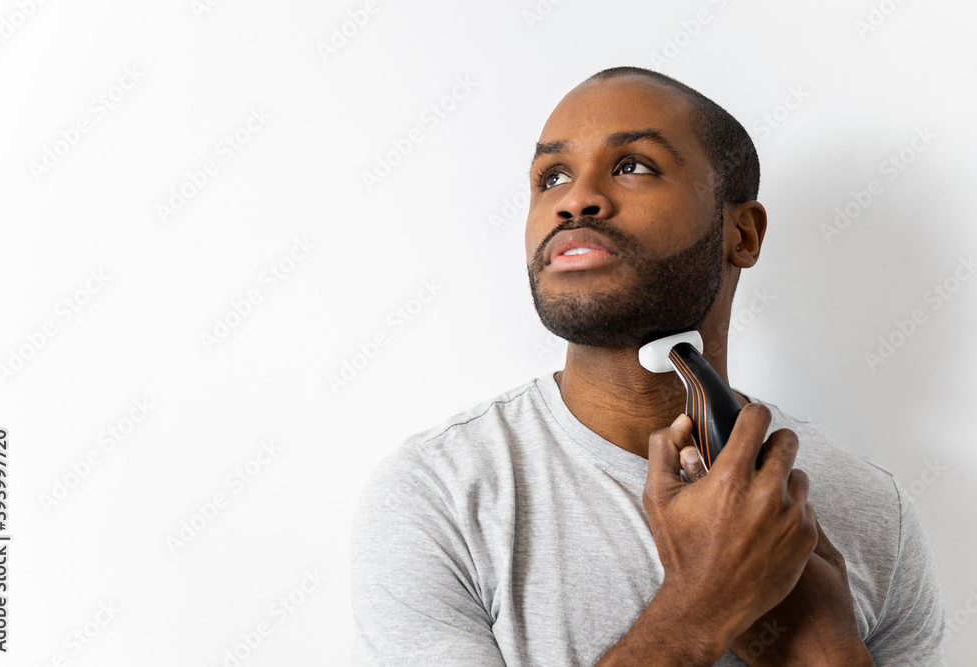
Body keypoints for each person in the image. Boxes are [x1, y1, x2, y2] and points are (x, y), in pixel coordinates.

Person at [349, 67, 945, 666]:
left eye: (633, 165)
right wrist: (703, 605)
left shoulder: (873, 509)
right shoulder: (439, 494)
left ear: (742, 233)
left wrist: (826, 651)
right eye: (552, 177)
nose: (575, 199)